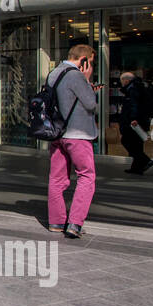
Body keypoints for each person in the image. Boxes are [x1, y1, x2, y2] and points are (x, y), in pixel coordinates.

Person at [46, 44, 102, 239]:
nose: (91, 66)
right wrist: (87, 81)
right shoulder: (76, 75)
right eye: (91, 62)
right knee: (86, 176)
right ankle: (75, 224)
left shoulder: (54, 73)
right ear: (84, 60)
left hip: (57, 134)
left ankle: (56, 222)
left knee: (56, 178)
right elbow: (91, 104)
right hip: (78, 135)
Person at [118, 71, 153, 175]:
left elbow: (133, 105)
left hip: (133, 122)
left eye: (122, 81)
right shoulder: (140, 87)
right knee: (137, 143)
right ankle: (137, 168)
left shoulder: (132, 89)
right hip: (141, 120)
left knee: (126, 141)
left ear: (126, 80)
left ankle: (145, 160)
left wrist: (133, 118)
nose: (121, 83)